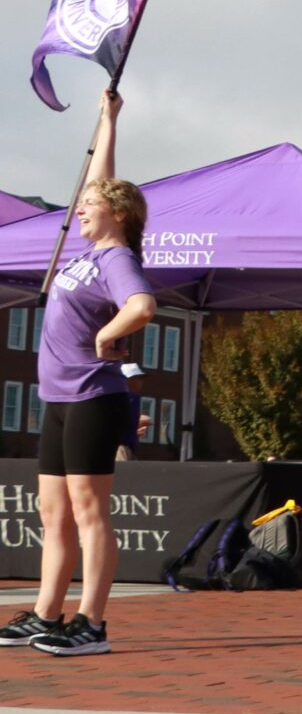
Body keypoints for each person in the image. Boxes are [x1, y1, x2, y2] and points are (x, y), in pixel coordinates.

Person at [2, 92, 156, 658]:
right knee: (53, 511)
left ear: (118, 214)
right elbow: (100, 180)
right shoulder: (86, 252)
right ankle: (46, 613)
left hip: (94, 396)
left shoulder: (116, 258)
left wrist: (108, 333)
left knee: (89, 511)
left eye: (91, 205)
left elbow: (142, 305)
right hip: (60, 398)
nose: (81, 208)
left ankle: (91, 624)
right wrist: (108, 120)